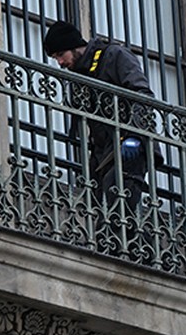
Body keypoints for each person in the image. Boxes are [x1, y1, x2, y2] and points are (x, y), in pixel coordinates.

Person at [44, 20, 160, 215]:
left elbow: (142, 96)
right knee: (102, 217)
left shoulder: (114, 55)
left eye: (60, 55)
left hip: (128, 147)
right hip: (103, 155)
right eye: (56, 58)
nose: (60, 63)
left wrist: (134, 136)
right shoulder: (79, 76)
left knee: (119, 211)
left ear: (74, 46)